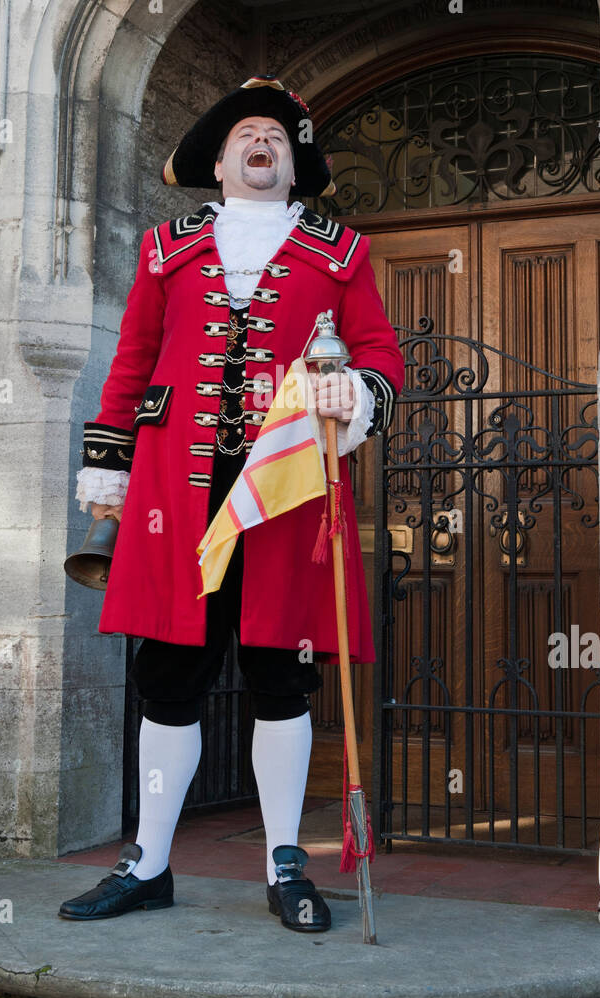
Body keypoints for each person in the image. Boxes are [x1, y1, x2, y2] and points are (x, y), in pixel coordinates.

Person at [58, 77, 404, 932]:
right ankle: (149, 864)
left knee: (280, 678)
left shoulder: (341, 253)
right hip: (177, 495)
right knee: (169, 676)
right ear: (220, 160)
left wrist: (353, 393)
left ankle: (286, 863)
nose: (263, 145)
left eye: (278, 139)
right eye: (248, 135)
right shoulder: (166, 249)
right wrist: (108, 461)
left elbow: (381, 355)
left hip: (286, 493)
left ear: (295, 164)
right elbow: (133, 359)